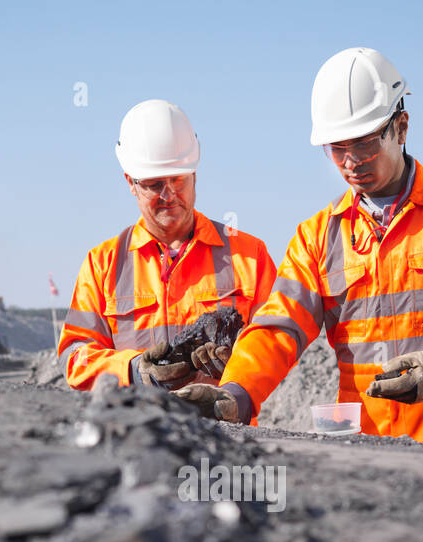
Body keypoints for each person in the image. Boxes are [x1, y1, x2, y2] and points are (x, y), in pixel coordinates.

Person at [175, 48, 423, 450]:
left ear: (401, 128)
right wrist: (238, 393)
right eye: (337, 148)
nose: (351, 161)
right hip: (367, 457)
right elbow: (277, 330)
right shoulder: (318, 236)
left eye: (365, 143)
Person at [59, 100, 277, 392]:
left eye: (178, 179)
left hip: (223, 432)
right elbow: (75, 356)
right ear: (131, 182)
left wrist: (240, 366)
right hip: (136, 431)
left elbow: (278, 344)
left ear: (195, 174)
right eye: (154, 184)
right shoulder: (103, 264)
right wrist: (134, 371)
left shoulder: (250, 256)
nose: (169, 194)